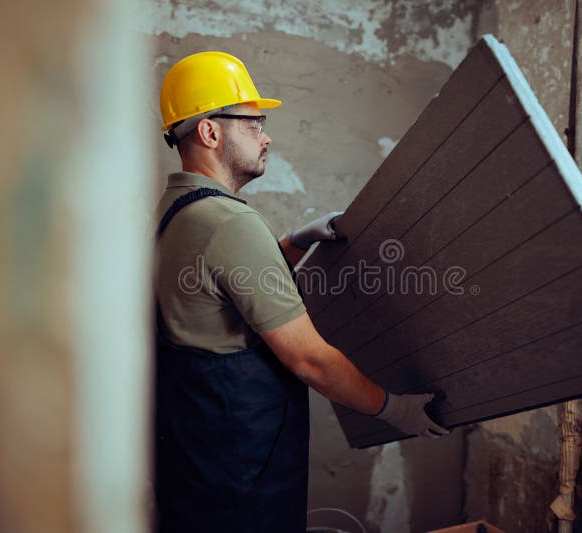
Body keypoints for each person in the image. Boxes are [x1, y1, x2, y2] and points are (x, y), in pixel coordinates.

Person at [153, 51, 447, 533]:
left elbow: (221, 294)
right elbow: (310, 360)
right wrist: (394, 408)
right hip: (243, 486)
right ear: (210, 132)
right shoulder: (230, 223)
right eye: (253, 124)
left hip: (195, 478)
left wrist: (293, 243)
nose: (266, 136)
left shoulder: (175, 213)